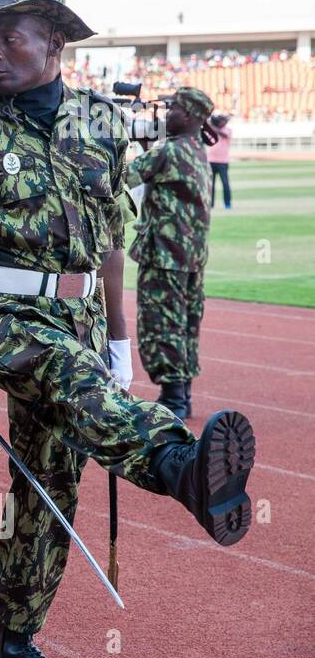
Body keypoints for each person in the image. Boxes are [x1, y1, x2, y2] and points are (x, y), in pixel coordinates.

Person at [0, 0, 255, 658]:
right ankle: (178, 465)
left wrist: (121, 341)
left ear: (55, 43)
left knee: (49, 483)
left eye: (11, 38)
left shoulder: (101, 122)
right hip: (1, 314)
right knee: (72, 381)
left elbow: (115, 242)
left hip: (83, 315)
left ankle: (13, 648)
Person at [129, 87, 215, 420]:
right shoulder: (195, 150)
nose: (167, 114)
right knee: (185, 325)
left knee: (160, 325)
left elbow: (123, 177)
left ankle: (173, 399)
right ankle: (182, 395)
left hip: (164, 256)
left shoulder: (171, 152)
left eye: (174, 108)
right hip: (190, 257)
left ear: (190, 115)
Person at [206, 113, 232, 209]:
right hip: (211, 160)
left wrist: (210, 125)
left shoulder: (227, 130)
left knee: (225, 183)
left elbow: (223, 134)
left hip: (223, 162)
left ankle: (227, 204)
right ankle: (210, 204)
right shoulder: (211, 130)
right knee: (210, 185)